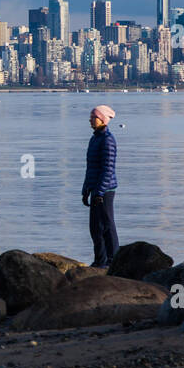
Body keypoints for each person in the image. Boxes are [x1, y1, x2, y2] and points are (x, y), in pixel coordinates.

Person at [82, 104, 119, 268]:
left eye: (93, 117)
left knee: (107, 225)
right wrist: (86, 190)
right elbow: (91, 168)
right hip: (96, 189)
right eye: (90, 117)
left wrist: (100, 192)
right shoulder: (95, 138)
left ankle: (113, 260)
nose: (90, 120)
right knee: (95, 227)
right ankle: (100, 261)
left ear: (102, 119)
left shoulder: (107, 140)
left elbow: (108, 169)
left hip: (105, 190)